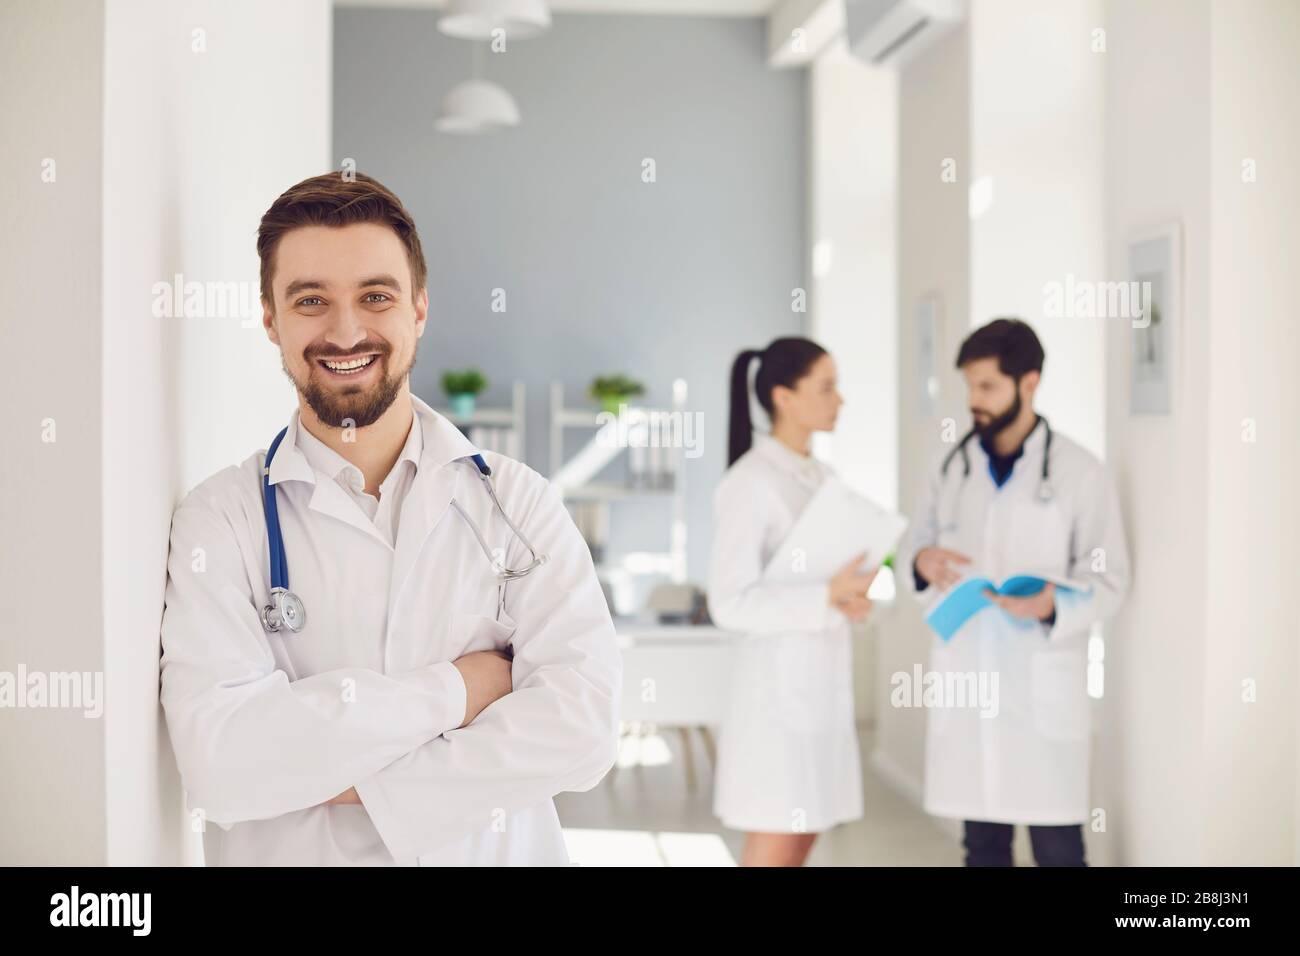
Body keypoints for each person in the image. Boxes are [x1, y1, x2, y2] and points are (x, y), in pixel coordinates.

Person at [158, 172, 621, 866]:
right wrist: (462, 689)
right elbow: (224, 769)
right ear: (269, 319)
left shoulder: (518, 504)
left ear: (420, 309)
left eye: (375, 296)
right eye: (311, 300)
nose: (346, 331)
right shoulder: (219, 521)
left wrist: (337, 772)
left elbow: (584, 732)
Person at [899, 318, 1129, 866]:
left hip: (1041, 682)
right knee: (981, 846)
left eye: (987, 387)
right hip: (969, 680)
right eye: (969, 386)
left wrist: (1054, 603)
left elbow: (1111, 579)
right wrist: (921, 562)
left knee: (1058, 848)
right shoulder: (951, 466)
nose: (973, 401)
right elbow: (917, 550)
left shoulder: (1078, 472)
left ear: (1029, 383)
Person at [707, 338, 878, 866]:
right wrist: (823, 595)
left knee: (805, 836)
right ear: (783, 396)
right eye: (826, 387)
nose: (840, 400)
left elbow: (817, 583)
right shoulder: (751, 483)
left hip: (821, 688)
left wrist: (842, 599)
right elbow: (729, 603)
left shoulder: (825, 479)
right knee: (778, 841)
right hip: (776, 700)